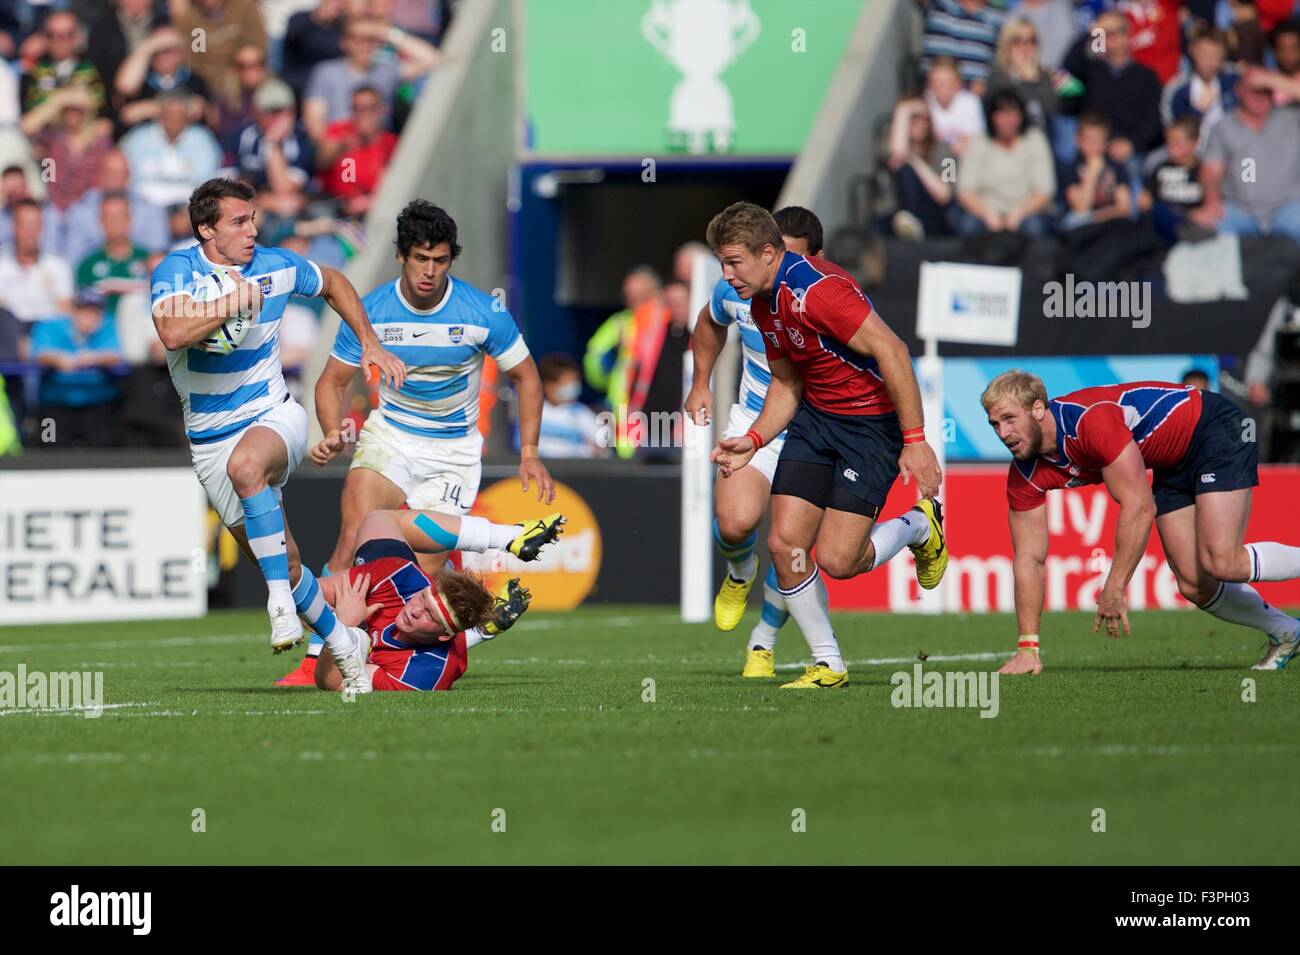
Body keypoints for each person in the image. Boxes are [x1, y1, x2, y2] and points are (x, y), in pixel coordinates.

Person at [280, 200, 553, 684]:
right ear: (402, 256)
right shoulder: (373, 311)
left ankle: (462, 639)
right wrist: (334, 430)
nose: (430, 271)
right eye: (421, 258)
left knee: (420, 581)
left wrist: (529, 453)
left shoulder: (482, 311)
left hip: (453, 452)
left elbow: (527, 378)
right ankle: (317, 659)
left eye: (440, 260)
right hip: (392, 435)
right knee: (353, 537)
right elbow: (332, 382)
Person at [149, 177, 405, 693]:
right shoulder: (178, 271)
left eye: (253, 218)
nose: (252, 230)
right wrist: (231, 302)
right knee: (285, 566)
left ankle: (278, 608)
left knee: (248, 468)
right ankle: (343, 642)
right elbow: (173, 333)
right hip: (210, 440)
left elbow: (333, 280)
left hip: (275, 415)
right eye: (238, 222)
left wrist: (370, 342)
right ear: (205, 229)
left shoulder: (277, 265)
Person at [707, 202, 948, 690]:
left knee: (840, 561)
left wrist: (916, 440)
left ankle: (921, 525)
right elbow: (786, 383)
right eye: (721, 264)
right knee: (784, 543)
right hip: (816, 419)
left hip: (870, 427)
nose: (727, 274)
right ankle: (828, 662)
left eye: (733, 262)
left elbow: (894, 350)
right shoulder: (759, 301)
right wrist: (753, 439)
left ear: (768, 252)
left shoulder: (819, 291)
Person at [983, 370, 1300, 675]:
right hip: (1170, 462)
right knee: (1194, 584)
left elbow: (1139, 505)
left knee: (1224, 561)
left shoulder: (1089, 421)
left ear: (1038, 408)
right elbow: (1029, 558)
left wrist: (1115, 586)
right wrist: (1027, 648)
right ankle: (1287, 632)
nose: (1003, 433)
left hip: (1213, 426)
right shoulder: (1024, 475)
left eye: (1010, 419)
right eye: (994, 424)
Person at [685, 206, 823, 678]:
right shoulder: (737, 289)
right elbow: (709, 322)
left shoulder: (826, 294)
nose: (785, 271)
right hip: (755, 423)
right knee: (737, 522)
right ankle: (740, 572)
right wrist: (701, 381)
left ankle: (762, 643)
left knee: (791, 548)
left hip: (815, 431)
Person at [310, 508, 566, 692]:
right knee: (380, 517)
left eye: (429, 615)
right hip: (404, 580)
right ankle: (508, 537)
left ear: (444, 635)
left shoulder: (421, 674)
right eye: (422, 598)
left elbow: (330, 680)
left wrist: (342, 626)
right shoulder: (399, 576)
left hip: (452, 449)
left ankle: (482, 629)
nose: (415, 610)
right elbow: (306, 595)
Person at [1199, 67, 1300, 244]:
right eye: (1254, 91)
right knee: (1205, 230)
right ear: (1239, 91)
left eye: (1265, 91)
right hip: (1240, 210)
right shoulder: (1223, 127)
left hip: (1289, 207)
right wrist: (1212, 202)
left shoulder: (1292, 118)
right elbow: (1211, 170)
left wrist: (1271, 80)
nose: (1260, 96)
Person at [953, 88, 1056, 236]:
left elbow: (1045, 190)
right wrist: (988, 214)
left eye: (1013, 113)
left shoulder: (1035, 140)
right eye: (1001, 114)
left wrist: (1018, 214)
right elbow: (964, 191)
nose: (1008, 120)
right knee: (968, 226)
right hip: (985, 211)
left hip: (1026, 211)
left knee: (1035, 227)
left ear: (1021, 116)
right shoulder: (978, 142)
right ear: (991, 117)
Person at [30, 289, 124, 446]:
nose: (90, 316)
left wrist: (91, 358)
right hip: (56, 401)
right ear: (73, 311)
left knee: (104, 450)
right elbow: (40, 353)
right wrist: (59, 359)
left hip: (98, 401)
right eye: (84, 311)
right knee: (49, 446)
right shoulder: (51, 326)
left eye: (95, 311)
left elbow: (115, 354)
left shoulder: (107, 325)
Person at [886, 97, 954, 239]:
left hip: (935, 216)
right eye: (913, 119)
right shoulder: (895, 148)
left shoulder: (945, 150)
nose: (920, 124)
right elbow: (899, 152)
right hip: (900, 216)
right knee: (904, 169)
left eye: (925, 119)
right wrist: (903, 110)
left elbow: (945, 195)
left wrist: (915, 161)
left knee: (907, 167)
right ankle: (908, 223)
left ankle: (911, 223)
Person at [537, 352, 604, 459]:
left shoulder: (581, 412)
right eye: (566, 383)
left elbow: (603, 444)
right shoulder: (534, 411)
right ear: (548, 386)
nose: (572, 387)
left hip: (574, 471)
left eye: (575, 382)